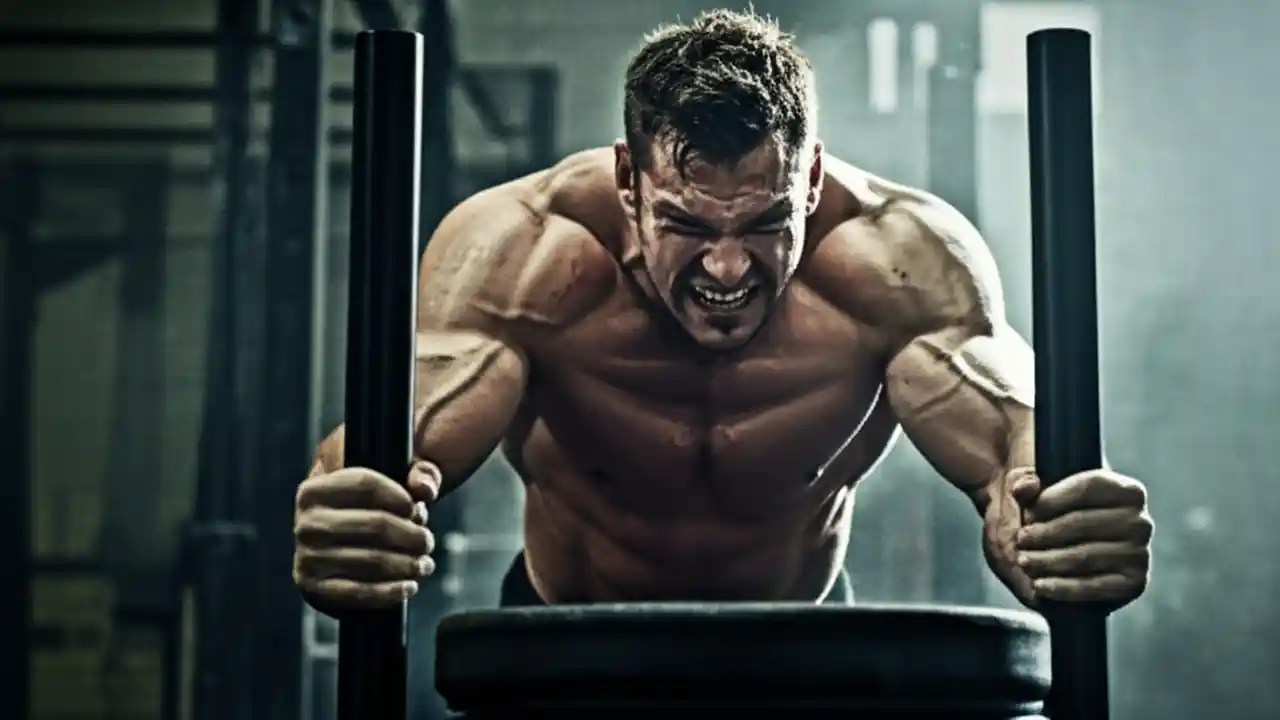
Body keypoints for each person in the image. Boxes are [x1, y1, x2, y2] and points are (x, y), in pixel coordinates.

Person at [292, 9, 1152, 611]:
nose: (730, 266)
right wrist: (344, 501)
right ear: (629, 183)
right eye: (688, 225)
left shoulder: (897, 260)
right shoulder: (525, 255)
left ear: (810, 179)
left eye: (769, 223)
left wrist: (1057, 514)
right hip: (574, 645)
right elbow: (395, 434)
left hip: (793, 647)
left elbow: (1014, 429)